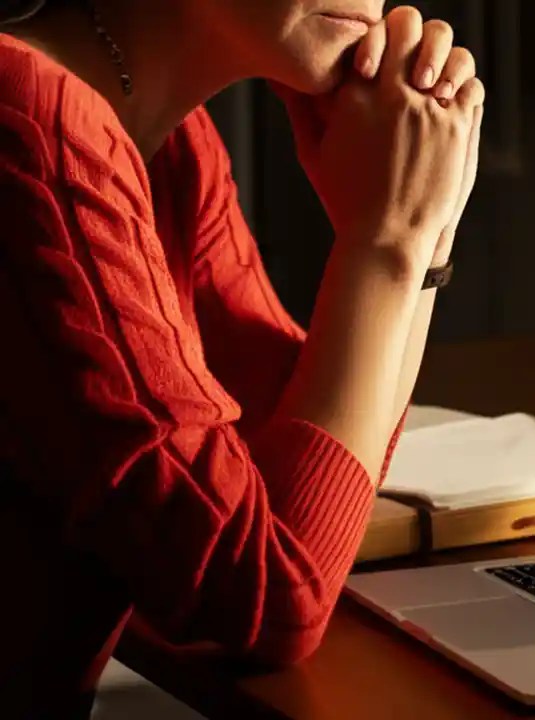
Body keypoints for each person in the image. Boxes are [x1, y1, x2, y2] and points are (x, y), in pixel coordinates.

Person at [0, 0, 483, 715]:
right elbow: (265, 598)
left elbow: (297, 475)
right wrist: (388, 240)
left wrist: (423, 230)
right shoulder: (30, 125)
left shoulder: (171, 141)